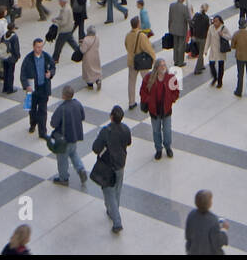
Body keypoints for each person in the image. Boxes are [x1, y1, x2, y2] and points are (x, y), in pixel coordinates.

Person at [92, 105, 133, 233]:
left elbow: (95, 148)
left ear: (111, 117)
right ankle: (113, 210)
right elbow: (128, 142)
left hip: (108, 166)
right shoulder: (126, 129)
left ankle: (117, 221)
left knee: (109, 192)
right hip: (121, 164)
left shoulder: (106, 131)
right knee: (117, 190)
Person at [141, 58, 180, 159]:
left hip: (166, 109)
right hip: (154, 110)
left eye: (164, 65)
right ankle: (158, 149)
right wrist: (149, 101)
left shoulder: (170, 78)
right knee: (156, 131)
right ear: (156, 68)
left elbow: (176, 92)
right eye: (161, 65)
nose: (163, 67)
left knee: (167, 130)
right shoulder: (149, 78)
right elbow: (143, 92)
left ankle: (168, 147)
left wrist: (171, 99)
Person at [49, 86, 88, 187]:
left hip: (64, 139)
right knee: (73, 154)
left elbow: (53, 123)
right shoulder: (78, 104)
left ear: (63, 96)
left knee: (62, 160)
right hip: (74, 137)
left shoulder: (61, 108)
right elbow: (83, 117)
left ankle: (63, 178)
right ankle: (81, 169)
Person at [21, 37, 56, 138]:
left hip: (43, 88)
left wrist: (51, 73)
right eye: (37, 47)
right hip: (32, 89)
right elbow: (23, 74)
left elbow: (53, 67)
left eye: (41, 47)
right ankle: (33, 123)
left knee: (43, 110)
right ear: (33, 47)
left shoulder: (46, 57)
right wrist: (26, 86)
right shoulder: (28, 59)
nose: (39, 49)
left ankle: (42, 131)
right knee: (32, 109)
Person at [186, 190, 230, 254]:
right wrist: (224, 229)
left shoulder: (191, 215)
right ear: (209, 204)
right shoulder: (213, 220)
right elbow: (218, 241)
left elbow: (188, 235)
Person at [125, 17, 155, 109]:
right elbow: (147, 48)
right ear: (138, 24)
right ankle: (149, 98)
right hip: (142, 62)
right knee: (147, 81)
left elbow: (126, 45)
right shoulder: (141, 36)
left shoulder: (128, 35)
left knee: (131, 82)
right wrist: (153, 57)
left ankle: (131, 102)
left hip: (131, 61)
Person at [168, 0, 192, 68]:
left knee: (175, 45)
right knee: (181, 46)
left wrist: (169, 27)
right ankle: (180, 62)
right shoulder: (184, 8)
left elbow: (170, 17)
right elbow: (188, 19)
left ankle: (175, 60)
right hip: (182, 30)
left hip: (173, 29)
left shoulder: (172, 6)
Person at [0, 20, 21, 95]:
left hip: (4, 56)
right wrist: (18, 56)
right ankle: (10, 89)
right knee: (10, 73)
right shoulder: (14, 37)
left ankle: (5, 88)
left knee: (5, 72)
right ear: (13, 29)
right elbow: (16, 48)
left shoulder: (4, 35)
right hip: (11, 58)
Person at [80, 26, 102, 90]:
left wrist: (81, 45)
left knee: (88, 70)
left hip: (88, 57)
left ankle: (90, 85)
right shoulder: (97, 38)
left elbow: (83, 50)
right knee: (96, 68)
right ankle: (98, 80)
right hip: (96, 55)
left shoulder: (86, 39)